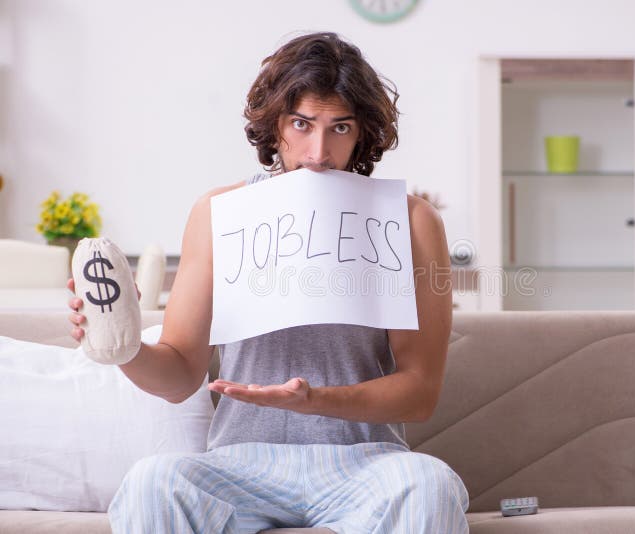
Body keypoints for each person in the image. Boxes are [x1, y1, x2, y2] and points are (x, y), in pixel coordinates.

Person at [67, 32, 469, 533]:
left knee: (432, 483)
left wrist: (313, 400)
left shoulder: (410, 221)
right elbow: (179, 376)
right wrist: (122, 346)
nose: (318, 151)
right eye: (302, 124)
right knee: (153, 480)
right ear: (275, 124)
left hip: (365, 462)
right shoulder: (219, 213)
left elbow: (419, 394)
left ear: (362, 133)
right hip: (242, 463)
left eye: (339, 127)